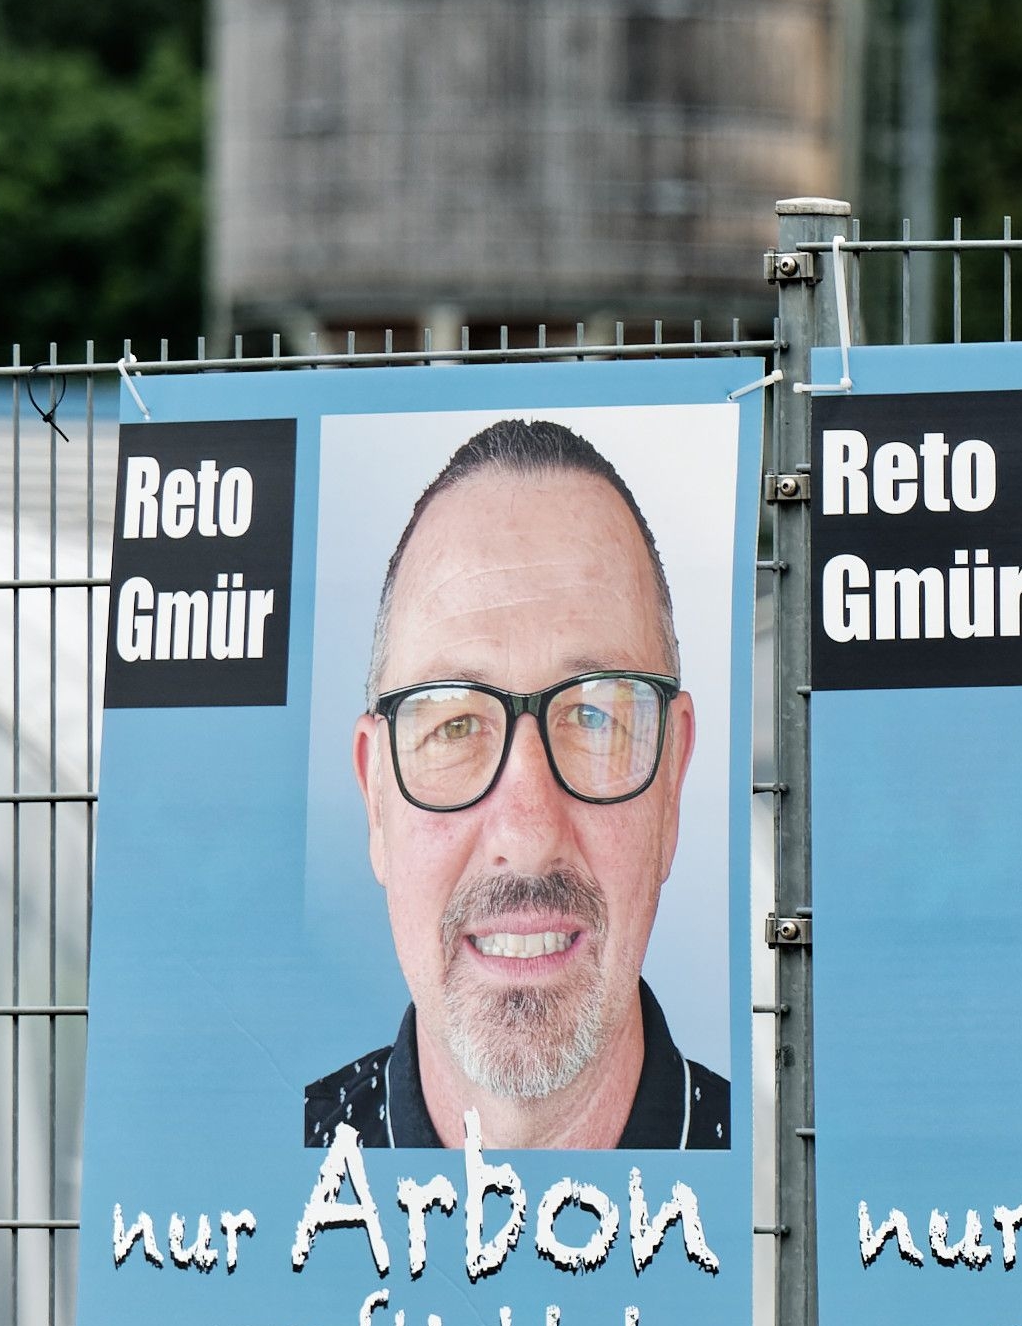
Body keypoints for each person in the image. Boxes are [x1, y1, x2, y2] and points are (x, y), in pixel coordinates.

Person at [304, 418, 734, 1147]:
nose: (528, 836)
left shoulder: (776, 1197)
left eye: (594, 717)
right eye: (456, 726)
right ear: (375, 800)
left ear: (673, 783)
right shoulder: (259, 1180)